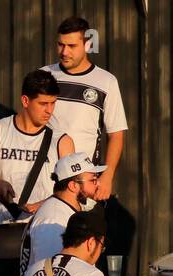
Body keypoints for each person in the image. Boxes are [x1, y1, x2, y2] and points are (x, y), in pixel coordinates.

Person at [0, 69, 74, 227]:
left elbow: (71, 190)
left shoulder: (62, 142)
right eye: (43, 104)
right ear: (25, 101)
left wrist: (45, 203)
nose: (49, 110)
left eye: (53, 103)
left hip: (42, 231)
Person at [42, 16, 127, 202]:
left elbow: (116, 134)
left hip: (82, 185)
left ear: (87, 45)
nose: (64, 52)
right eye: (60, 45)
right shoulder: (44, 76)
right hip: (45, 179)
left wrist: (108, 175)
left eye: (71, 46)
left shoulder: (106, 81)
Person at [18, 152, 103, 276]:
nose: (99, 184)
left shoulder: (63, 210)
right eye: (93, 180)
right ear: (73, 186)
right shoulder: (53, 217)